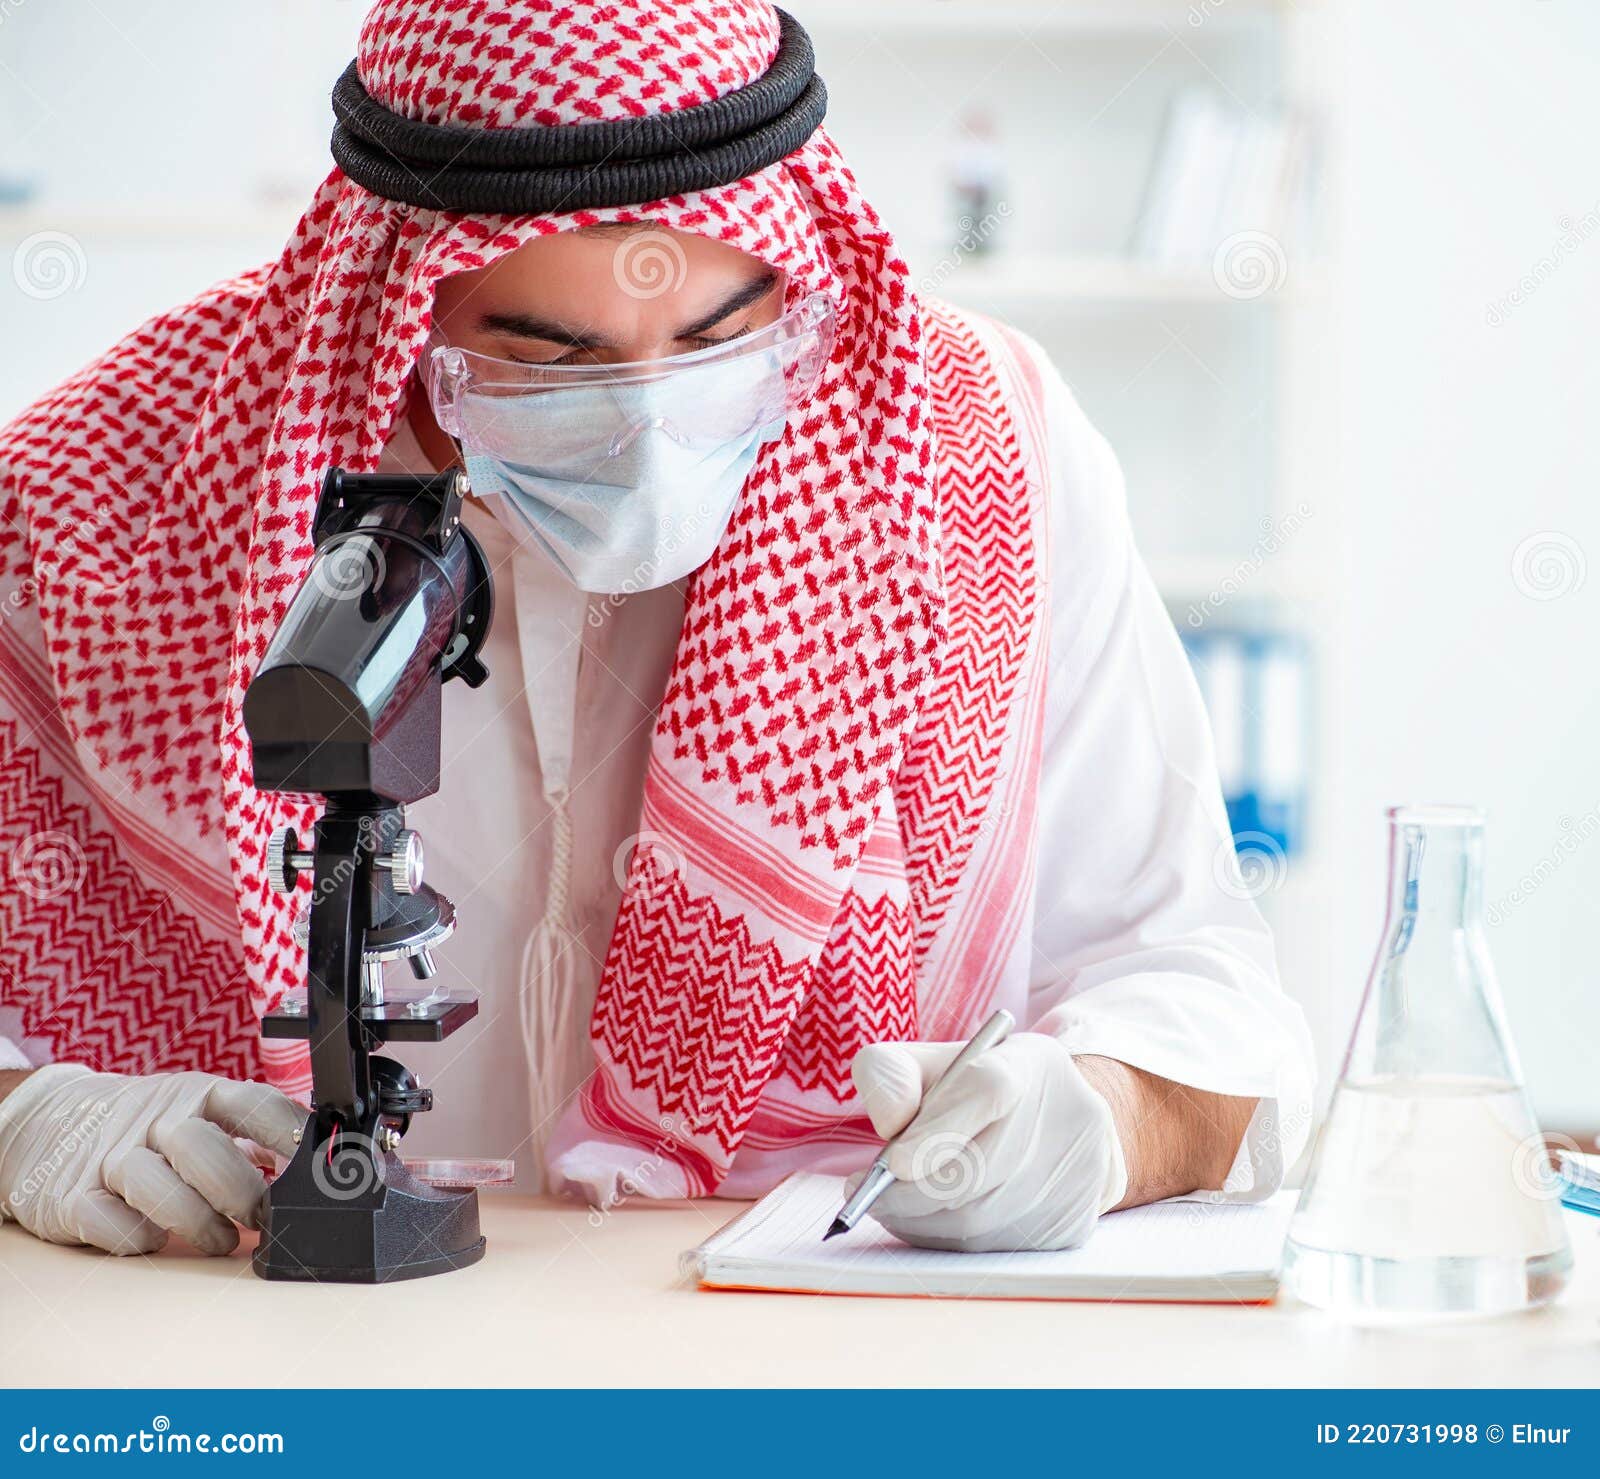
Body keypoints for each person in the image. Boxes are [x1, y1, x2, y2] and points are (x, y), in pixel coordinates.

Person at [0, 0, 1313, 1261]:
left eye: (719, 341)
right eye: (548, 359)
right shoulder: (96, 494)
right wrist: (24, 1119)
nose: (647, 428)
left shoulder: (983, 456)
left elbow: (1195, 982)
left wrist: (1100, 1125)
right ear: (403, 300)